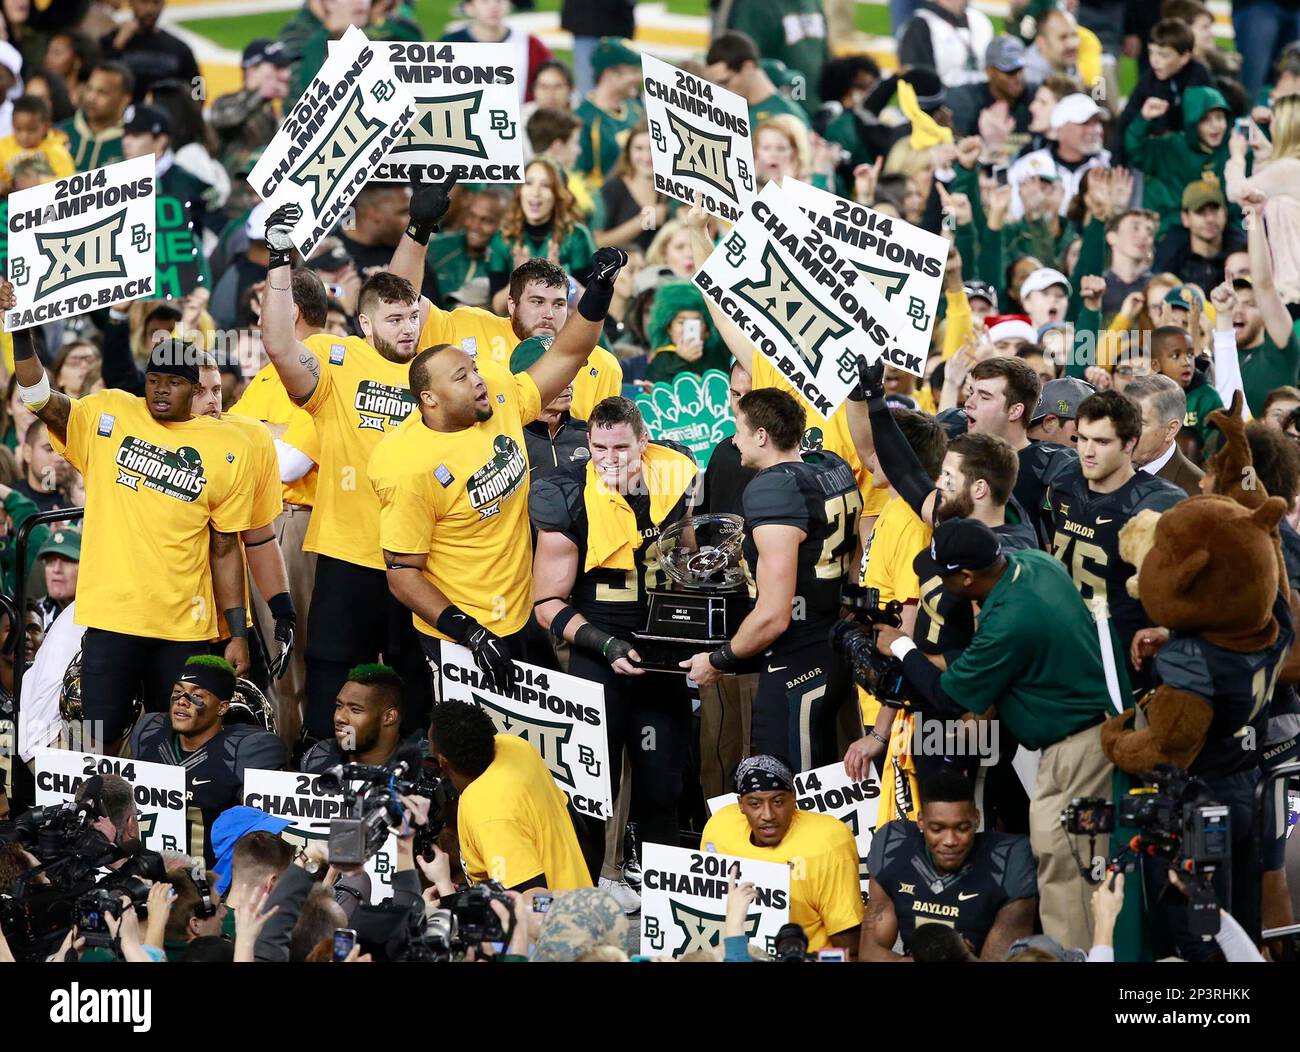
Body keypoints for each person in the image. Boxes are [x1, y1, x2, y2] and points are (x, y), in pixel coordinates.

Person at [368, 247, 625, 693]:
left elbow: (570, 353)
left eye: (474, 370)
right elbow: (402, 574)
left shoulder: (502, 396)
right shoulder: (404, 463)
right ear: (429, 399)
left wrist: (600, 289)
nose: (479, 380)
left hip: (522, 611)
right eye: (462, 378)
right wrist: (466, 630)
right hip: (456, 632)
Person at [4, 302, 254, 745]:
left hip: (182, 626)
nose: (159, 391)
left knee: (171, 745)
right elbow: (38, 396)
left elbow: (225, 547)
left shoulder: (228, 446)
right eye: (153, 380)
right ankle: (89, 814)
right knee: (92, 738)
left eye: (173, 383)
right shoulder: (110, 413)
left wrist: (236, 633)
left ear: (196, 389)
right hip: (110, 618)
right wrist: (21, 332)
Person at [870, 517, 1118, 950]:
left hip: (1079, 749)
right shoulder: (1034, 563)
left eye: (944, 575)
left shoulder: (1011, 620)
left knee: (1066, 866)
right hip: (1080, 738)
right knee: (1065, 860)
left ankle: (1072, 960)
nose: (939, 584)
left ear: (966, 576)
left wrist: (902, 647)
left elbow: (950, 700)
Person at [531, 396, 696, 887]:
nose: (609, 459)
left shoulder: (673, 478)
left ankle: (663, 895)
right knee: (590, 789)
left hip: (662, 655)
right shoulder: (567, 496)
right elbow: (546, 605)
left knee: (663, 780)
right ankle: (592, 888)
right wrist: (606, 646)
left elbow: (686, 560)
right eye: (599, 446)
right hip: (599, 656)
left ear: (644, 443)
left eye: (621, 447)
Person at [681, 389, 862, 772]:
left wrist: (719, 660)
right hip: (836, 644)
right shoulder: (831, 464)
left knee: (788, 791)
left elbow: (774, 615)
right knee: (825, 780)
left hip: (796, 658)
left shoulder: (773, 487)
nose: (734, 440)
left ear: (762, 436)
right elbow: (854, 561)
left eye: (739, 429)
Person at [863, 768, 1037, 960]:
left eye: (962, 828)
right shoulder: (893, 847)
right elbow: (869, 953)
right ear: (921, 821)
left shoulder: (1009, 861)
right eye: (937, 829)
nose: (950, 840)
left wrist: (961, 957)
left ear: (976, 819)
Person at [129, 656, 287, 865]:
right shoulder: (149, 731)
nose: (182, 701)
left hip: (209, 879)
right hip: (146, 867)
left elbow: (259, 835)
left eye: (196, 696)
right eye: (177, 692)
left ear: (222, 708)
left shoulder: (246, 749)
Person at [701, 755, 863, 953]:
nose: (768, 815)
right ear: (740, 805)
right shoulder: (719, 830)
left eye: (778, 802)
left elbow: (849, 947)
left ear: (794, 798)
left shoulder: (827, 842)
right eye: (755, 804)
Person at [428, 700, 592, 891]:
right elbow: (576, 823)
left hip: (555, 917)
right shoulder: (515, 746)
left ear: (442, 760)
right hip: (581, 899)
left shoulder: (488, 813)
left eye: (430, 742)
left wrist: (446, 891)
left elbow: (532, 899)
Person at [486, 158, 597, 313]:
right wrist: (520, 279)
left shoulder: (576, 236)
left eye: (545, 185)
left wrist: (561, 278)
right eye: (529, 183)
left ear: (558, 194)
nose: (535, 192)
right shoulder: (502, 239)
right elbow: (498, 308)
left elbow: (592, 304)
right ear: (519, 191)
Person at [715, 0, 828, 117]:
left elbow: (824, 56)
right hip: (775, 117)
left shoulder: (813, 3)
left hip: (814, 111)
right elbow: (741, 62)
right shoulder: (753, 6)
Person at [1008, 94, 1110, 221]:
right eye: (1085, 123)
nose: (1095, 129)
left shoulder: (1109, 164)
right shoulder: (1029, 166)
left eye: (1096, 122)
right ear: (1060, 128)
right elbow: (1013, 214)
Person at [299, 663, 408, 773]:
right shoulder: (320, 759)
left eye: (355, 710)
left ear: (389, 717)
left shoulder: (418, 774)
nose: (339, 717)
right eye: (339, 706)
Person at [209, 38, 291, 179]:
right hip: (238, 191)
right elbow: (222, 118)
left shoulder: (277, 109)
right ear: (252, 69)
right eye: (277, 67)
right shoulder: (226, 103)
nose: (286, 74)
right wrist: (258, 94)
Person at [443, 0, 552, 104]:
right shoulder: (448, 45)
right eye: (485, 2)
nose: (493, 6)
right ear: (469, 7)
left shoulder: (531, 45)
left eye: (499, 0)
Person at [574, 37, 644, 190]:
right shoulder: (583, 119)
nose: (638, 77)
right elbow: (577, 178)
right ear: (609, 74)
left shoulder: (635, 109)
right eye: (633, 71)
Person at [1153, 181, 1244, 296]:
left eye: (1214, 210)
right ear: (1185, 218)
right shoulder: (1170, 259)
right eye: (1200, 211)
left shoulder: (1241, 253)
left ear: (1225, 214)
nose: (1210, 219)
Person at [705, 31, 810, 128]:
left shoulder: (785, 116)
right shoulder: (735, 112)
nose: (721, 90)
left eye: (725, 82)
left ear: (748, 67)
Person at [1124, 374, 1205, 496]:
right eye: (1122, 418)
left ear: (1171, 430)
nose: (1124, 431)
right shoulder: (1102, 468)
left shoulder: (1196, 493)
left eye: (1139, 423)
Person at [594, 123, 669, 254]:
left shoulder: (671, 190)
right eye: (639, 149)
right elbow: (597, 242)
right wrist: (644, 221)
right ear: (628, 152)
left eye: (652, 149)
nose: (647, 157)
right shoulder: (612, 189)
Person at [428, 189, 505, 310]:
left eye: (486, 220)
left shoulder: (506, 264)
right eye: (472, 216)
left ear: (503, 225)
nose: (474, 225)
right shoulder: (435, 247)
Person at [946, 34, 1033, 138]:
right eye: (1010, 71)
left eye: (1020, 69)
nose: (1018, 77)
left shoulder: (1034, 97)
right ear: (990, 71)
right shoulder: (966, 100)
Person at [898, 0, 996, 89]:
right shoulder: (920, 25)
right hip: (943, 103)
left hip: (985, 101)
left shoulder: (980, 20)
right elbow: (918, 79)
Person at [54, 59, 130, 171]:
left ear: (124, 100)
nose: (91, 98)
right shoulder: (58, 133)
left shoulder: (132, 141)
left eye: (102, 92)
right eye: (89, 89)